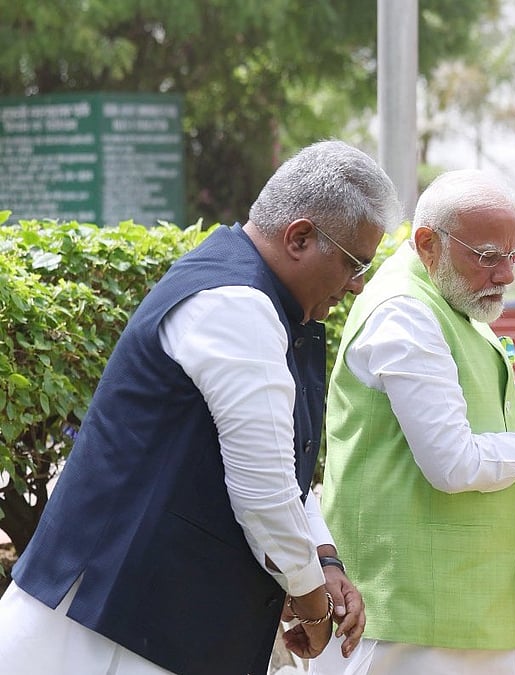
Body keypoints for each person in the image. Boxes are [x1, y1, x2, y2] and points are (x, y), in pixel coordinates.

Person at [0, 140, 402, 675]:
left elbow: (281, 469)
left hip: (146, 626)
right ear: (300, 236)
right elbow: (263, 492)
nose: (357, 285)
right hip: (108, 634)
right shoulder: (237, 304)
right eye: (355, 264)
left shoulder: (258, 297)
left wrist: (322, 561)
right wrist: (311, 599)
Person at [311, 169, 515, 675]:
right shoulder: (405, 312)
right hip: (402, 623)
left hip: (458, 616)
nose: (507, 275)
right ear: (428, 244)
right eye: (487, 257)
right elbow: (453, 462)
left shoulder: (449, 299)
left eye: (511, 256)